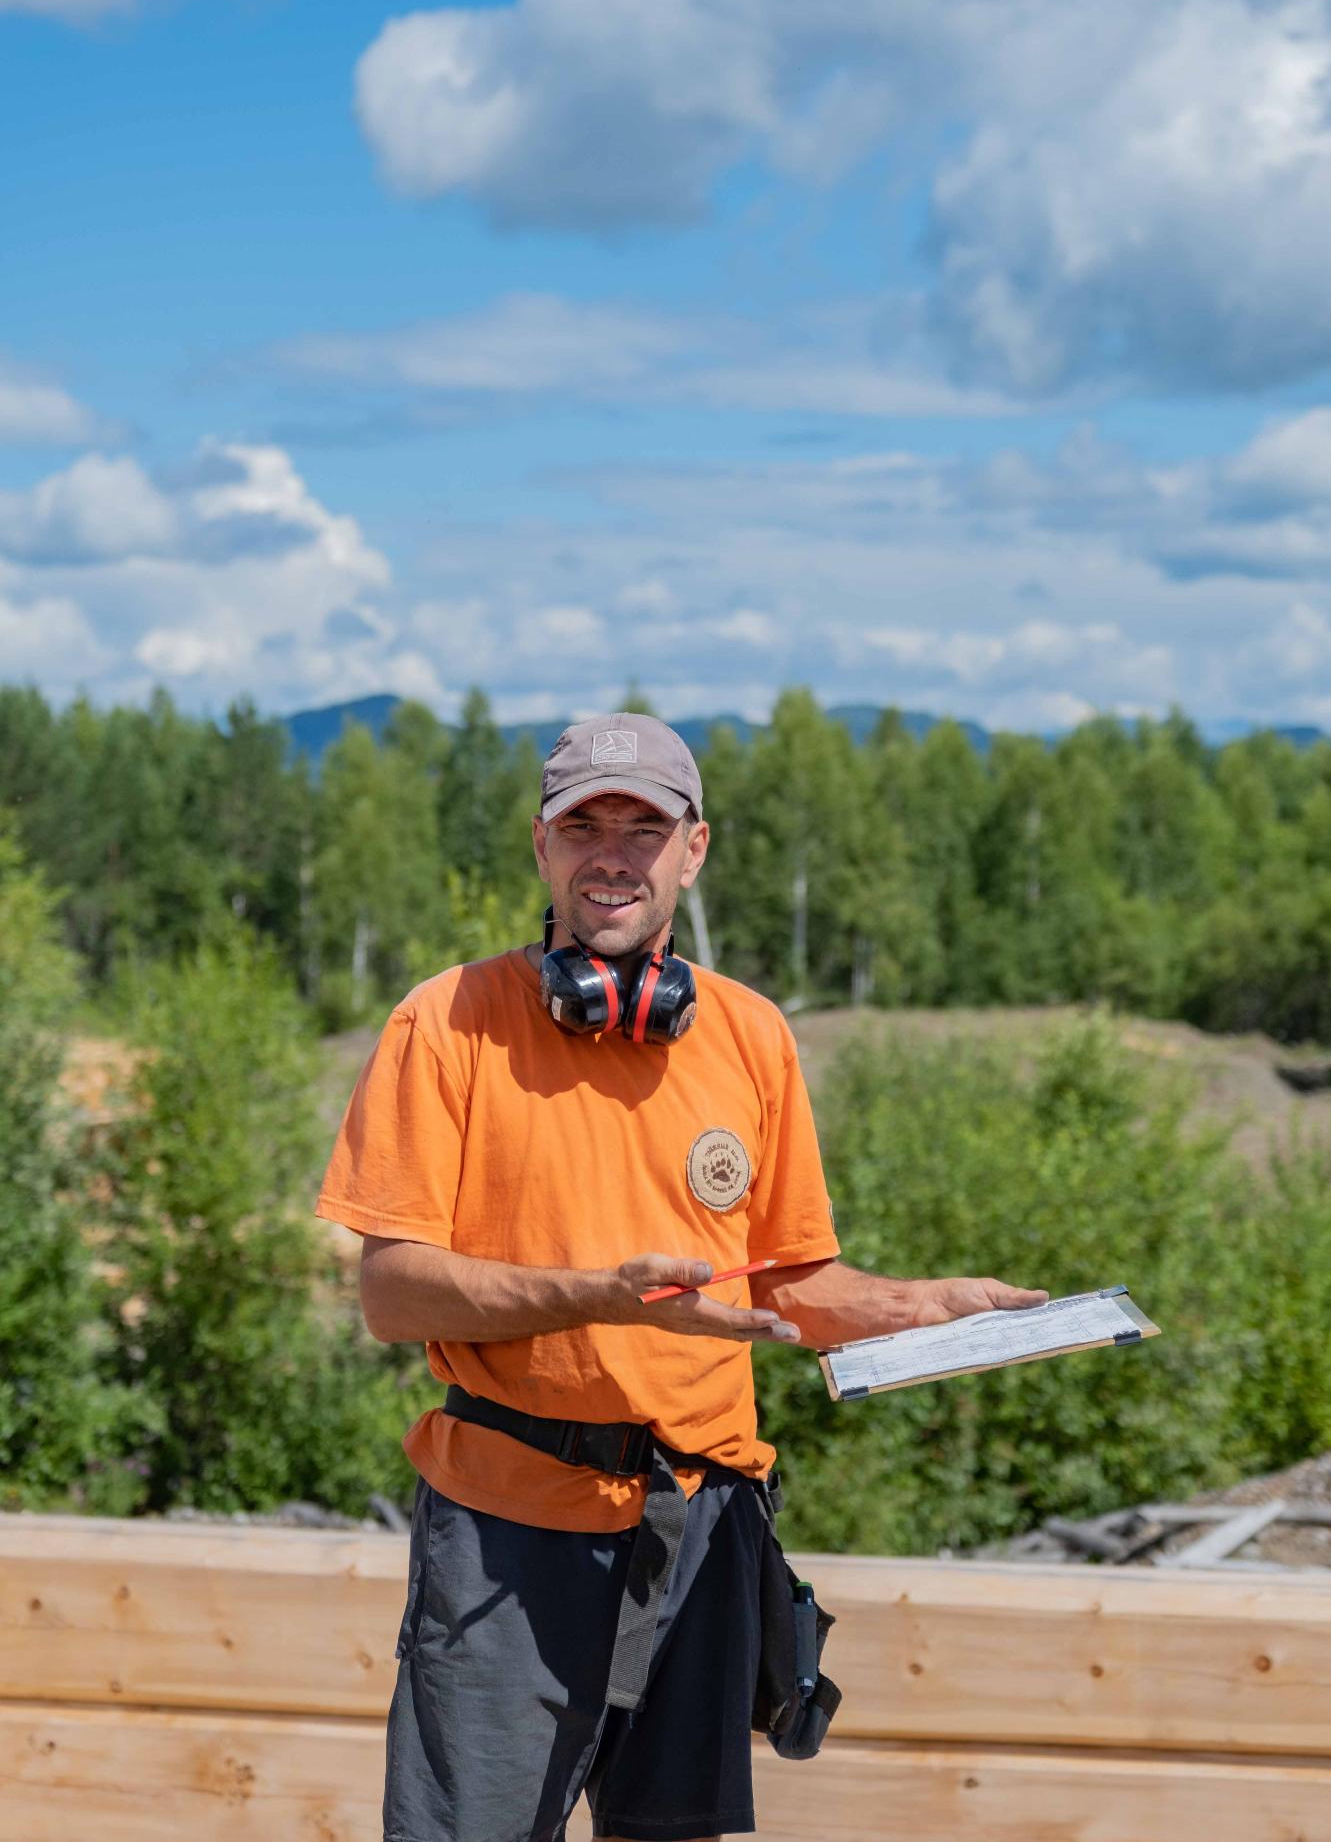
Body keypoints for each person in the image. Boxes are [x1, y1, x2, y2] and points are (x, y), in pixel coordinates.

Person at [315, 711, 1045, 1842]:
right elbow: (393, 1292)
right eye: (584, 824)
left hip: (707, 1525)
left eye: (644, 826)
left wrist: (920, 1305)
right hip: (509, 1524)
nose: (614, 852)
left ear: (693, 848)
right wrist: (592, 1292)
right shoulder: (444, 1020)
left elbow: (792, 1283)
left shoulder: (752, 1035)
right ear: (541, 845)